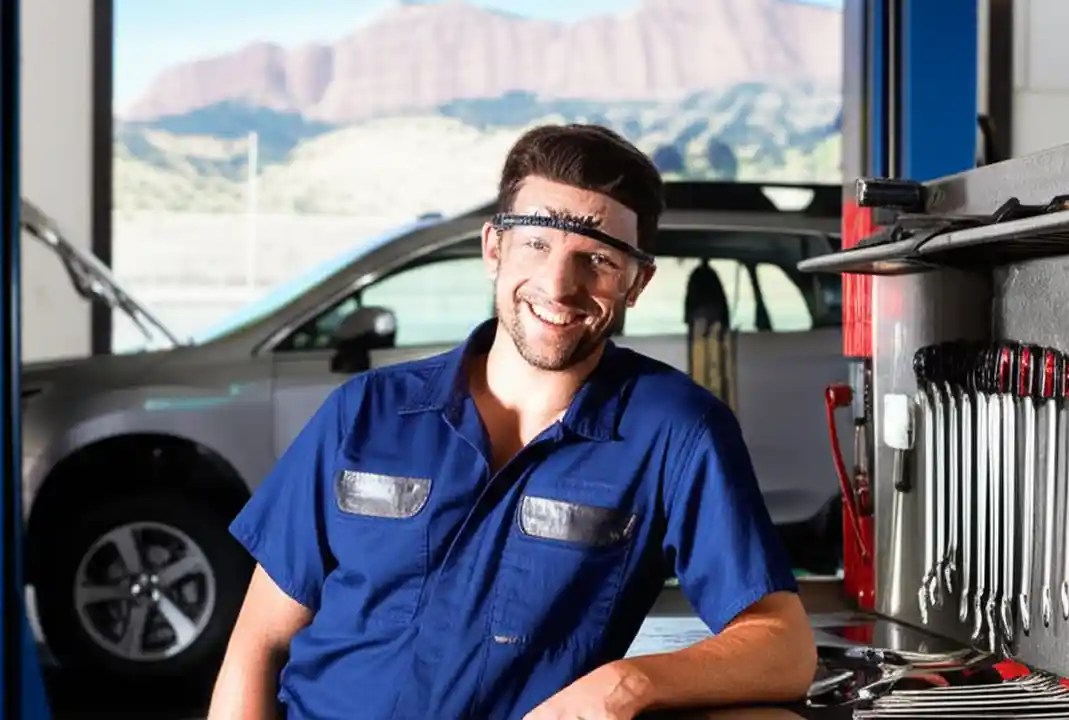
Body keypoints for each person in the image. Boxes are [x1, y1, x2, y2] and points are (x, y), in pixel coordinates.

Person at [208, 123, 817, 720]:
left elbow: (784, 649)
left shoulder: (676, 433)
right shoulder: (364, 411)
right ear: (493, 247)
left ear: (637, 283)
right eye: (537, 244)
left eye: (597, 259)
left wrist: (626, 684)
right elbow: (258, 644)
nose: (559, 285)